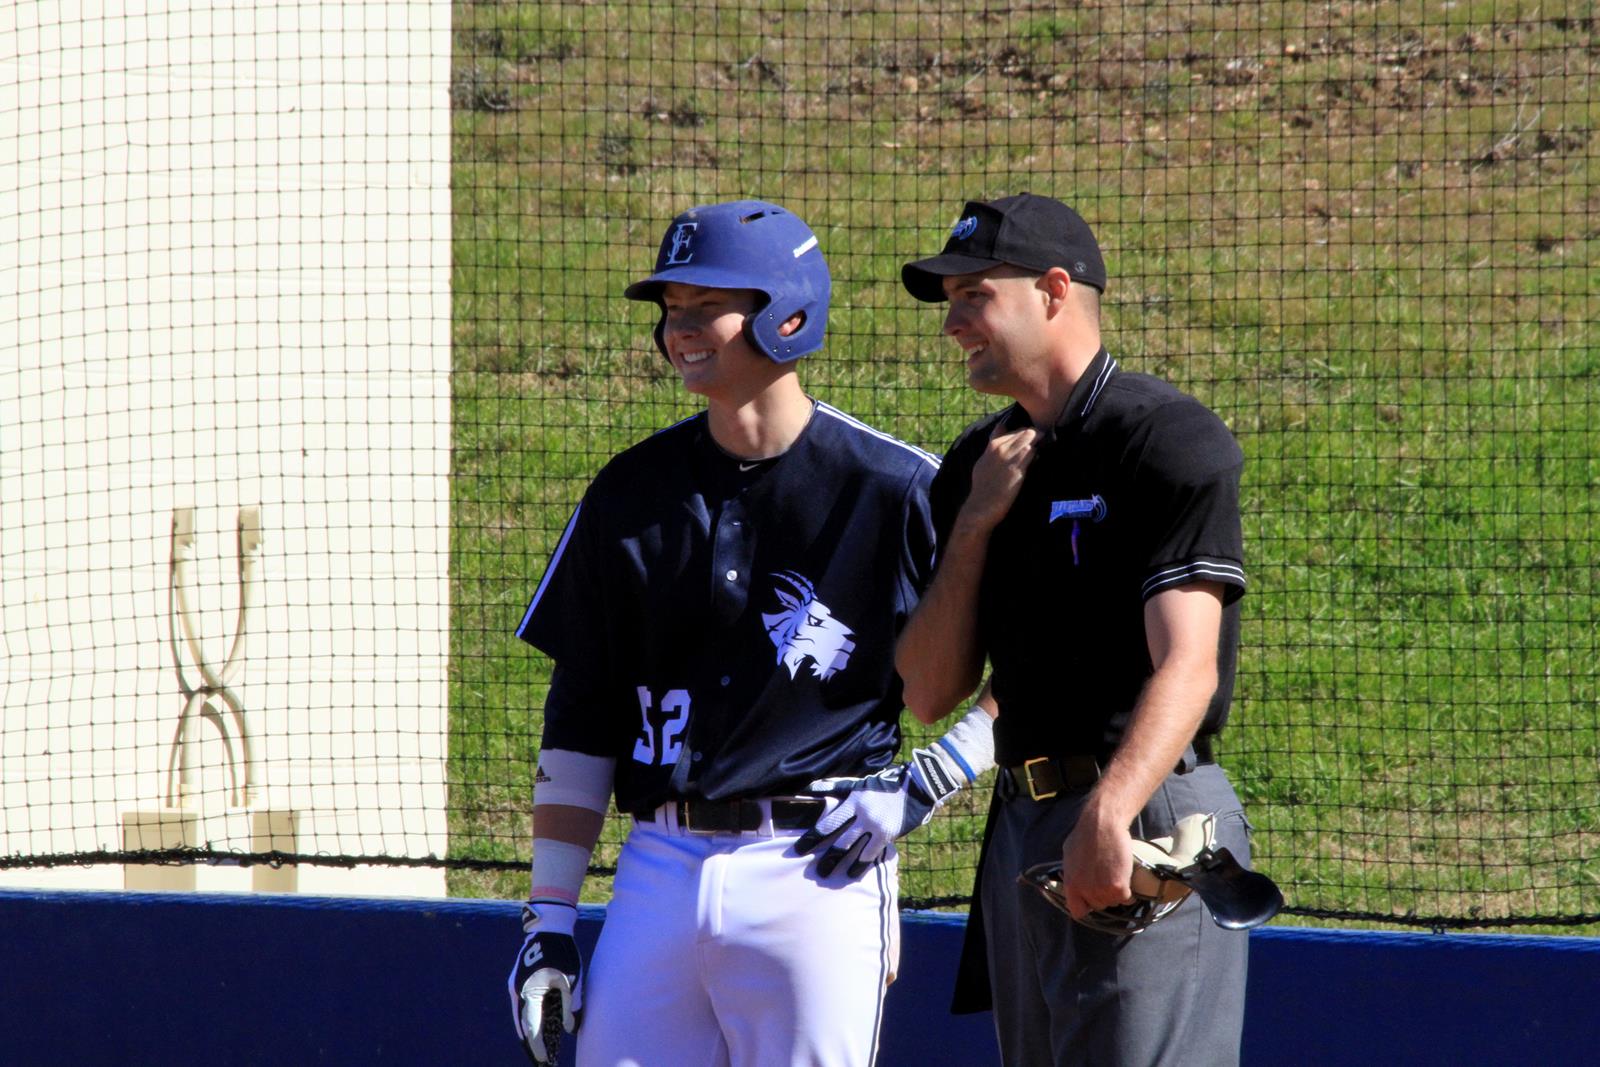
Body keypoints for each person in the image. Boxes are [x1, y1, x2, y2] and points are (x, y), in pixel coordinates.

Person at [506, 199, 997, 1066]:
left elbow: (1034, 659)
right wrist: (549, 920)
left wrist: (934, 775)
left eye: (706, 306)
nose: (679, 328)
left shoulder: (896, 488)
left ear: (787, 313)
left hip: (818, 864)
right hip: (658, 862)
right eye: (670, 310)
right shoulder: (629, 492)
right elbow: (582, 714)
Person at [894, 193, 1254, 1065]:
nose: (954, 324)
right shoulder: (975, 464)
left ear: (1055, 290)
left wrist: (1111, 809)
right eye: (950, 301)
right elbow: (929, 689)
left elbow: (1189, 665)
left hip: (1143, 813)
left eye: (974, 294)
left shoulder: (1164, 437)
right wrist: (977, 521)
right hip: (1025, 822)